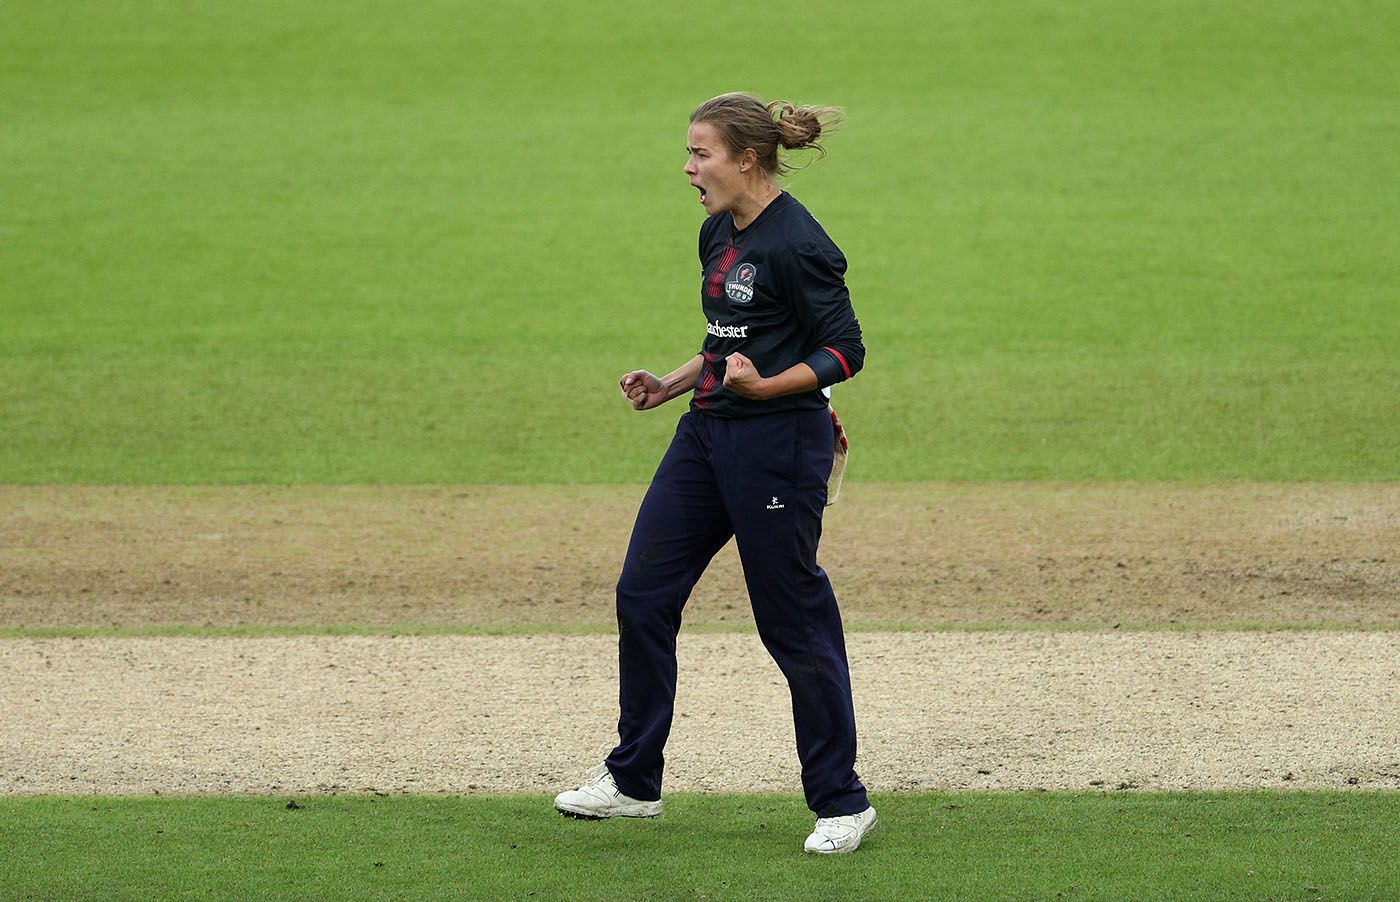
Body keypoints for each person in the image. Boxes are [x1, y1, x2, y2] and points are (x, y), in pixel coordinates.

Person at [554, 92, 874, 854]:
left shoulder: (800, 243)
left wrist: (764, 387)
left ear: (746, 160)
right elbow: (727, 335)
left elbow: (845, 350)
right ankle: (634, 781)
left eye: (701, 153)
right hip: (704, 435)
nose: (689, 168)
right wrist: (669, 385)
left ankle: (843, 801)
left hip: (779, 446)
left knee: (791, 622)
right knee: (644, 593)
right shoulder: (716, 233)